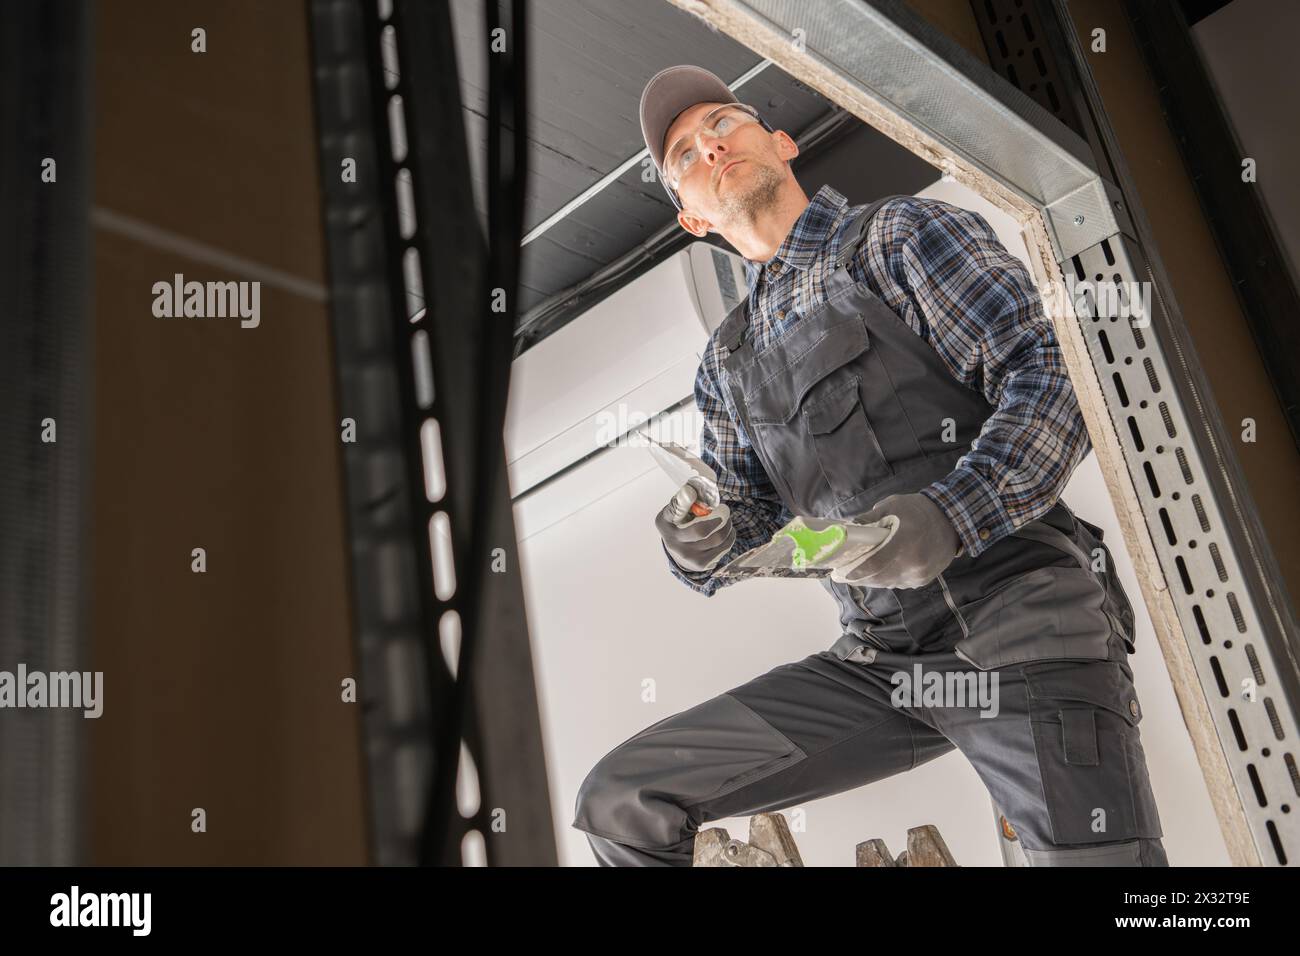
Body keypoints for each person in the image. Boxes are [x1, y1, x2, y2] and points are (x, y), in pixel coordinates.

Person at [572, 65, 1166, 866]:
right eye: (684, 154)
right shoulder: (724, 364)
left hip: (1021, 618)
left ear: (778, 142)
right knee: (623, 803)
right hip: (883, 664)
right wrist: (701, 543)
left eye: (723, 122)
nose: (709, 145)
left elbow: (1053, 373)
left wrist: (954, 513)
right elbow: (744, 520)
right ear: (690, 215)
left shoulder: (898, 237)